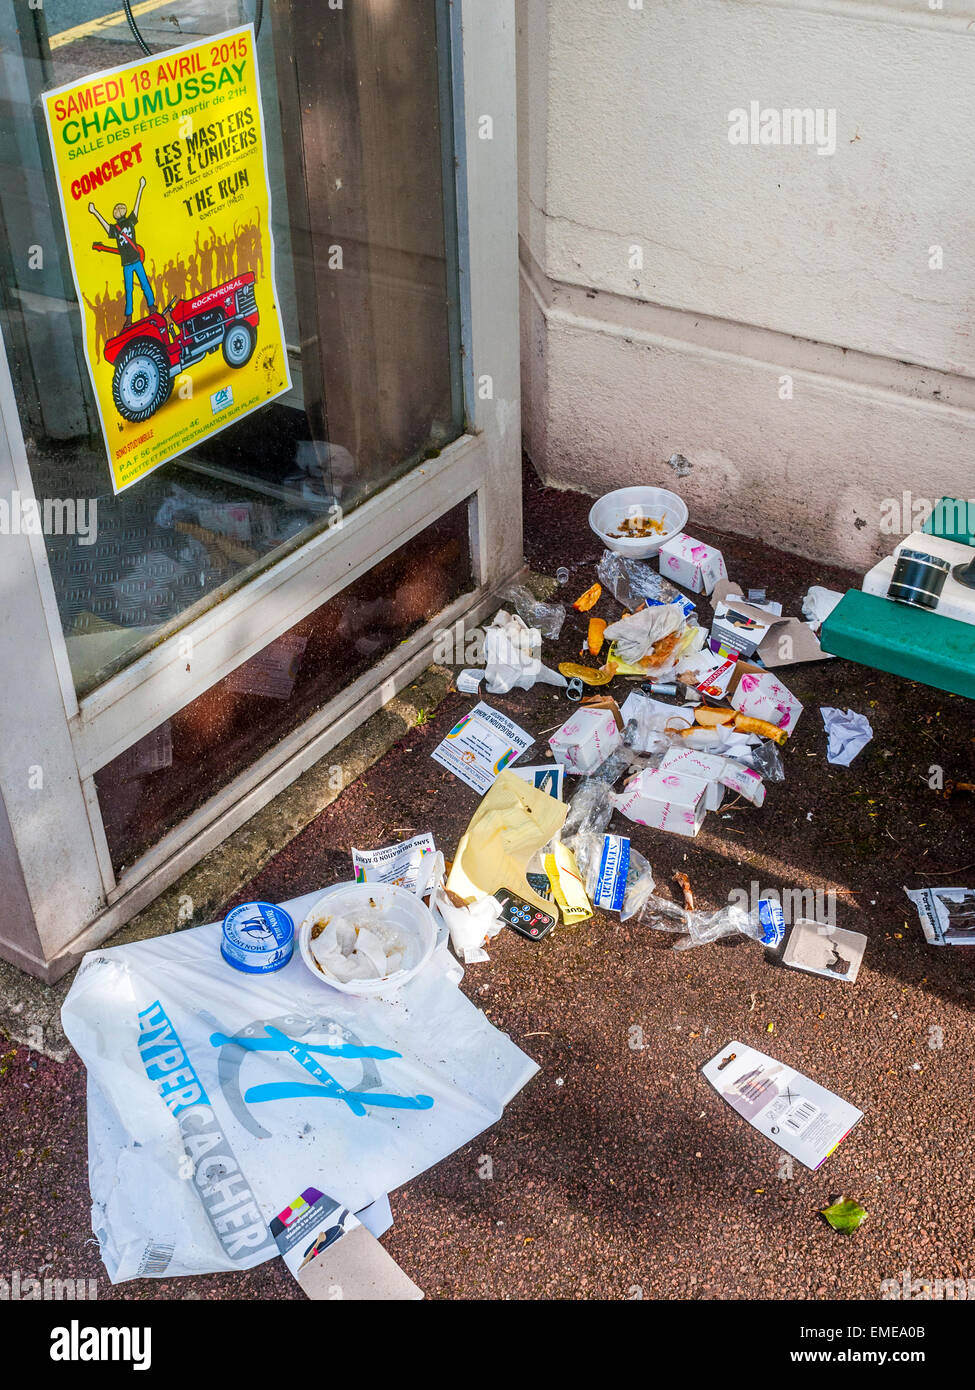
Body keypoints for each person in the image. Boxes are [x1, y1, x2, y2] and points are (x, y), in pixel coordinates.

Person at [88, 177, 155, 330]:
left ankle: (145, 310)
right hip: (130, 263)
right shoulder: (122, 225)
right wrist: (94, 212)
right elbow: (134, 208)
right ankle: (134, 314)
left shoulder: (127, 223)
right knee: (134, 288)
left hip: (133, 262)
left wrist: (141, 187)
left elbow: (135, 207)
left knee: (137, 287)